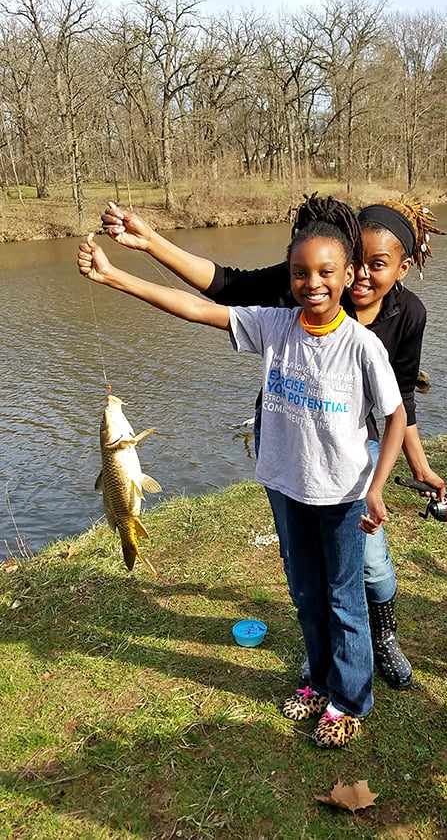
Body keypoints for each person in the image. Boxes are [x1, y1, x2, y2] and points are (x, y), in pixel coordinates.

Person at [78, 204, 407, 749]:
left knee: (344, 597)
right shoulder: (274, 326)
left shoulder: (362, 346)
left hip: (344, 496)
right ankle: (318, 680)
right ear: (289, 275)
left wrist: (377, 487)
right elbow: (193, 307)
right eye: (301, 273)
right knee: (305, 592)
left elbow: (395, 417)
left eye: (326, 272)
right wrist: (115, 277)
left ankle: (350, 700)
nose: (312, 283)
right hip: (285, 486)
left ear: (348, 278)